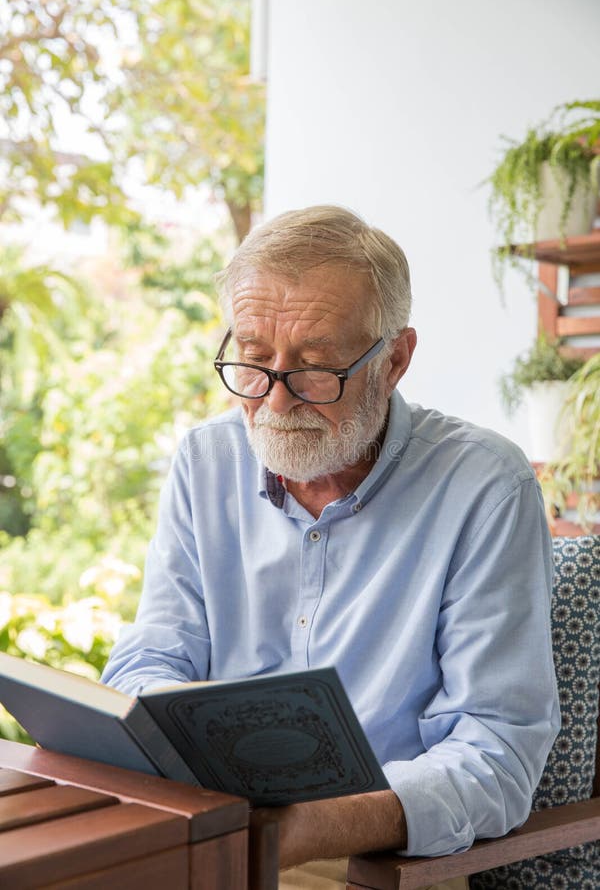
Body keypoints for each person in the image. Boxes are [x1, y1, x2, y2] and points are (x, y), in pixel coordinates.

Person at [102, 205, 560, 889]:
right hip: (211, 833)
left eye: (315, 369)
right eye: (254, 362)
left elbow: (495, 756)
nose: (275, 402)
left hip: (379, 860)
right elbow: (154, 656)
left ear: (395, 360)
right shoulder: (206, 461)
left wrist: (310, 827)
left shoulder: (484, 486)